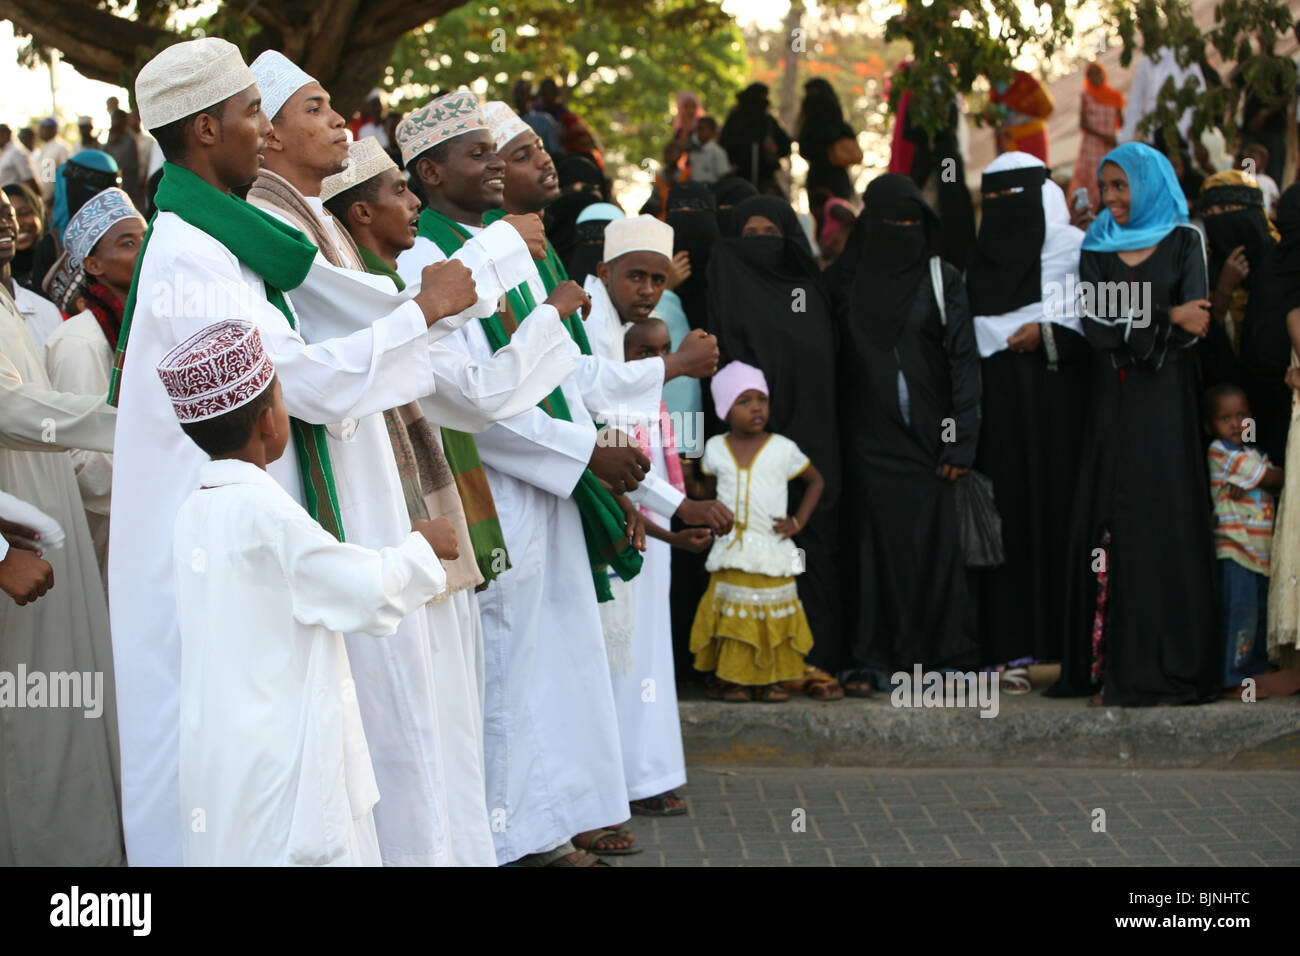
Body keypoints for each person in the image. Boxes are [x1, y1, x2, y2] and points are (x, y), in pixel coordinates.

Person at [110, 39, 567, 868]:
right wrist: (420, 313)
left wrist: (420, 313)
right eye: (255, 114)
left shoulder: (224, 237)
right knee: (233, 778)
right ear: (208, 130)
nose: (265, 133)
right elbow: (298, 385)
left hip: (261, 539)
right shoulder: (191, 255)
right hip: (219, 552)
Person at [398, 96, 719, 864]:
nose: (498, 166)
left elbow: (573, 380)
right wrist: (583, 457)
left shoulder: (515, 252)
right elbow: (471, 402)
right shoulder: (429, 260)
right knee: (507, 670)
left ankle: (548, 827)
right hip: (496, 493)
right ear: (431, 172)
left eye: (492, 152)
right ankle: (507, 839)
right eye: (478, 155)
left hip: (554, 487)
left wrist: (653, 493)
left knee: (557, 670)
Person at [159, 320, 455, 865]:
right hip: (286, 753)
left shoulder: (193, 509)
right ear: (271, 420)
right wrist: (423, 548)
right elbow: (363, 591)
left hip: (228, 751)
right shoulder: (266, 512)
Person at [1047, 142, 1218, 707]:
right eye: (1106, 187)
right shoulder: (1096, 242)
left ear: (1147, 184)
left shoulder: (1185, 238)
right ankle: (1108, 669)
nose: (1112, 199)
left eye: (1122, 186)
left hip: (1166, 408)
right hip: (1112, 408)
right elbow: (1095, 329)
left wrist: (1138, 325)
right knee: (1109, 523)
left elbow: (1200, 327)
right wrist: (1165, 314)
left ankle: (1165, 666)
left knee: (1164, 523)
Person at [590, 218, 733, 817]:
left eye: (657, 278)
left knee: (644, 651)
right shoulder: (588, 325)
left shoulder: (623, 326)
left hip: (646, 508)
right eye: (635, 276)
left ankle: (644, 775)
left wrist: (676, 510)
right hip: (610, 513)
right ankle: (614, 785)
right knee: (616, 651)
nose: (647, 289)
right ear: (603, 274)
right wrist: (674, 364)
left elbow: (647, 437)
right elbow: (597, 403)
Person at [0, 187, 122, 865]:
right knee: (38, 724)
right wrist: (122, 424)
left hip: (50, 524)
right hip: (17, 535)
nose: (3, 216)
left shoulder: (16, 306)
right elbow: (12, 409)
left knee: (75, 698)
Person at [826, 173, 981, 687]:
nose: (902, 231)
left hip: (930, 442)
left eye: (912, 223)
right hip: (866, 441)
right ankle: (870, 659)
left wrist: (962, 437)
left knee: (934, 547)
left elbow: (963, 362)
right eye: (891, 221)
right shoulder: (842, 281)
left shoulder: (943, 278)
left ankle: (943, 658)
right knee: (872, 552)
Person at [707, 193, 844, 691]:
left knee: (812, 551)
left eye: (771, 235)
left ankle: (812, 659)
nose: (761, 245)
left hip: (812, 443)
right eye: (750, 236)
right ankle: (751, 669)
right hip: (750, 451)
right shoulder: (730, 286)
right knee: (753, 558)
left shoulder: (812, 288)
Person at [966, 152, 1088, 690]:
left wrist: (1047, 332)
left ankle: (1067, 646)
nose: (1000, 210)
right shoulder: (980, 258)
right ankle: (1011, 648)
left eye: (1010, 197)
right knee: (1007, 520)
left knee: (1059, 514)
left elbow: (1089, 319)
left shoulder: (1072, 248)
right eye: (990, 200)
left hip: (1059, 401)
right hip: (999, 409)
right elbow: (972, 328)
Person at [689, 361, 824, 702]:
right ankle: (735, 679)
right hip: (732, 550)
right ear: (724, 410)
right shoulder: (716, 448)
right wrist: (687, 476)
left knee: (771, 615)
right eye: (744, 401)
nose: (756, 408)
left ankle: (771, 679)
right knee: (736, 619)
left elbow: (816, 482)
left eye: (761, 399)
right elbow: (705, 492)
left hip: (771, 548)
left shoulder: (783, 448)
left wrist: (798, 521)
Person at [44, 188, 144, 577]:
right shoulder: (80, 341)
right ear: (93, 264)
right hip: (112, 530)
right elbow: (84, 458)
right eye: (127, 243)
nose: (143, 249)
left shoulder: (143, 325)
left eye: (144, 238)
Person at [1203, 383, 1282, 698]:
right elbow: (1274, 478)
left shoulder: (1254, 453)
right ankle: (1231, 678)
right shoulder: (1220, 452)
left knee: (1259, 616)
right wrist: (1266, 476)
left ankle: (1258, 671)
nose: (1236, 424)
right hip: (1236, 550)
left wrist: (1265, 475)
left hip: (1260, 553)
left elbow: (1275, 477)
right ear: (1209, 426)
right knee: (1240, 617)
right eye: (1226, 419)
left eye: (1242, 415)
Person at [1197, 170, 1280, 443]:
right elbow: (1209, 355)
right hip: (1227, 423)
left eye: (1227, 208)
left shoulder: (1282, 266)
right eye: (1210, 211)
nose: (1217, 218)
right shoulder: (1201, 269)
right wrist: (1223, 291)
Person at [1118, 47, 1205, 146]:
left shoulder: (1184, 57)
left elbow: (1199, 95)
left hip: (1183, 133)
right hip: (1154, 134)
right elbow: (1135, 103)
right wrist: (1125, 137)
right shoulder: (1146, 63)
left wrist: (1195, 128)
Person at [1068, 63, 1125, 213]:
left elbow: (1123, 123)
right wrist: (1103, 136)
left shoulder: (1114, 96)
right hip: (1092, 147)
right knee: (1091, 182)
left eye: (1098, 73)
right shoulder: (1086, 96)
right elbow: (1084, 124)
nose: (1096, 77)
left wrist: (1114, 138)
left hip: (1110, 146)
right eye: (1091, 74)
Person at [718, 83, 791, 197]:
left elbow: (785, 145)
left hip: (764, 176)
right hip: (740, 176)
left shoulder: (767, 121)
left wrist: (775, 148)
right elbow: (724, 144)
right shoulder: (736, 118)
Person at [796, 78, 857, 205]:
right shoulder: (841, 126)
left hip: (818, 178)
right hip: (837, 179)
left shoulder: (808, 125)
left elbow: (804, 150)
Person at [988, 70, 1055, 164]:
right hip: (1009, 141)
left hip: (1033, 136)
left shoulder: (1023, 79)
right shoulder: (994, 88)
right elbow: (990, 119)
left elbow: (1046, 107)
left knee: (1037, 172)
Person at [3, 183, 44, 292]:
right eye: (9, 216)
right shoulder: (4, 278)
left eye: (24, 213)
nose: (18, 224)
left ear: (39, 211)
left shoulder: (57, 254)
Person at [103, 109, 141, 209]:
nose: (114, 122)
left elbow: (123, 163)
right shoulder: (111, 137)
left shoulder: (130, 139)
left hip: (128, 187)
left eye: (117, 119)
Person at [687, 116, 730, 185]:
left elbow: (723, 176)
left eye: (702, 129)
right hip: (695, 189)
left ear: (712, 132)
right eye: (697, 129)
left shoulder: (718, 152)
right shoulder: (693, 151)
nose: (698, 132)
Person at [34, 119, 69, 204]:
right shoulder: (43, 148)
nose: (40, 131)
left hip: (54, 200)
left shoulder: (61, 148)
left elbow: (66, 174)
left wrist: (54, 196)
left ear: (54, 130)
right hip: (42, 199)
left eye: (44, 128)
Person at [0, 124, 38, 192]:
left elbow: (30, 179)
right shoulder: (6, 151)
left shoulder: (16, 152)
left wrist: (39, 199)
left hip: (15, 198)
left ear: (4, 135)